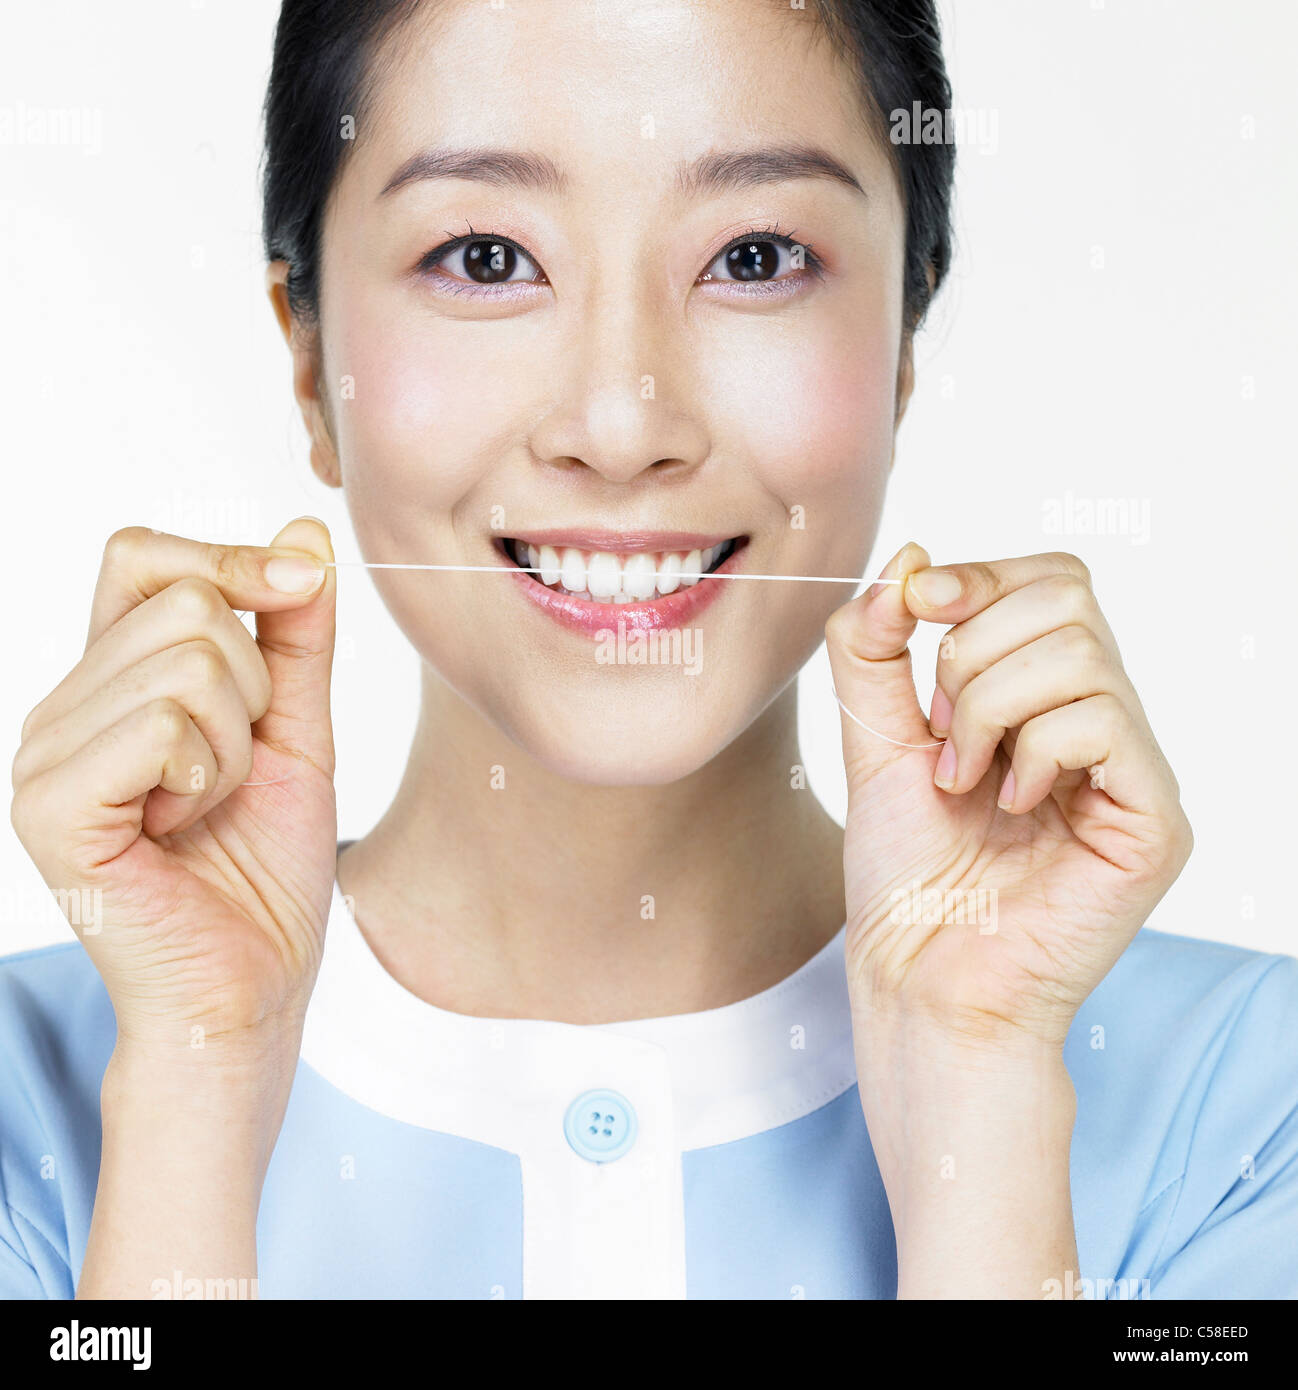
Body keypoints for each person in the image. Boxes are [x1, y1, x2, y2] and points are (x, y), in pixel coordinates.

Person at [4, 0, 1296, 1300]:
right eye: (485, 257)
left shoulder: (1247, 1117)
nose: (620, 425)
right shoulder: (32, 1113)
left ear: (904, 344)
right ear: (308, 361)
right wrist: (193, 1079)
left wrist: (981, 1093)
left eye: (753, 256)